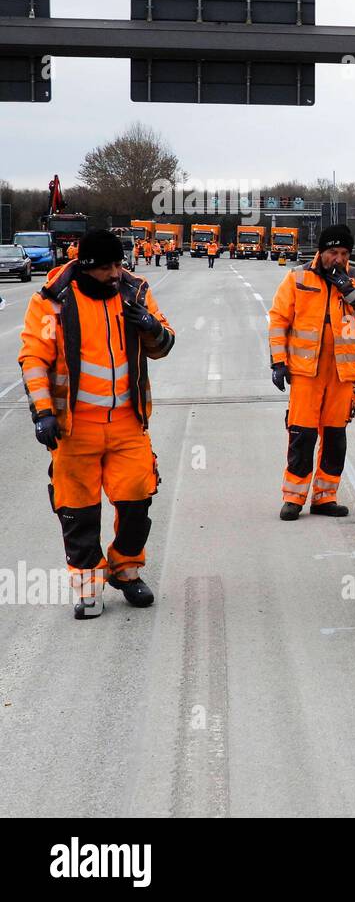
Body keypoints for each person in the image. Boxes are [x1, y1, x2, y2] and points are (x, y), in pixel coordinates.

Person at [18, 229, 176, 619]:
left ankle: (126, 569)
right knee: (78, 511)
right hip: (75, 428)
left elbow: (165, 344)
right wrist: (43, 412)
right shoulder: (52, 301)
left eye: (119, 264)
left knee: (138, 499)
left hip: (127, 422)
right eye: (107, 267)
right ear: (87, 268)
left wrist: (152, 330)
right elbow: (34, 358)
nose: (116, 273)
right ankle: (89, 587)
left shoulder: (135, 292)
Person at [267, 224, 355, 520]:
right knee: (302, 436)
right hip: (307, 373)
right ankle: (293, 497)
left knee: (334, 439)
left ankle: (324, 497)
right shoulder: (298, 278)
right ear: (321, 251)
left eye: (344, 253)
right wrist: (278, 362)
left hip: (343, 375)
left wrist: (348, 289)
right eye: (333, 252)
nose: (339, 258)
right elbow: (279, 319)